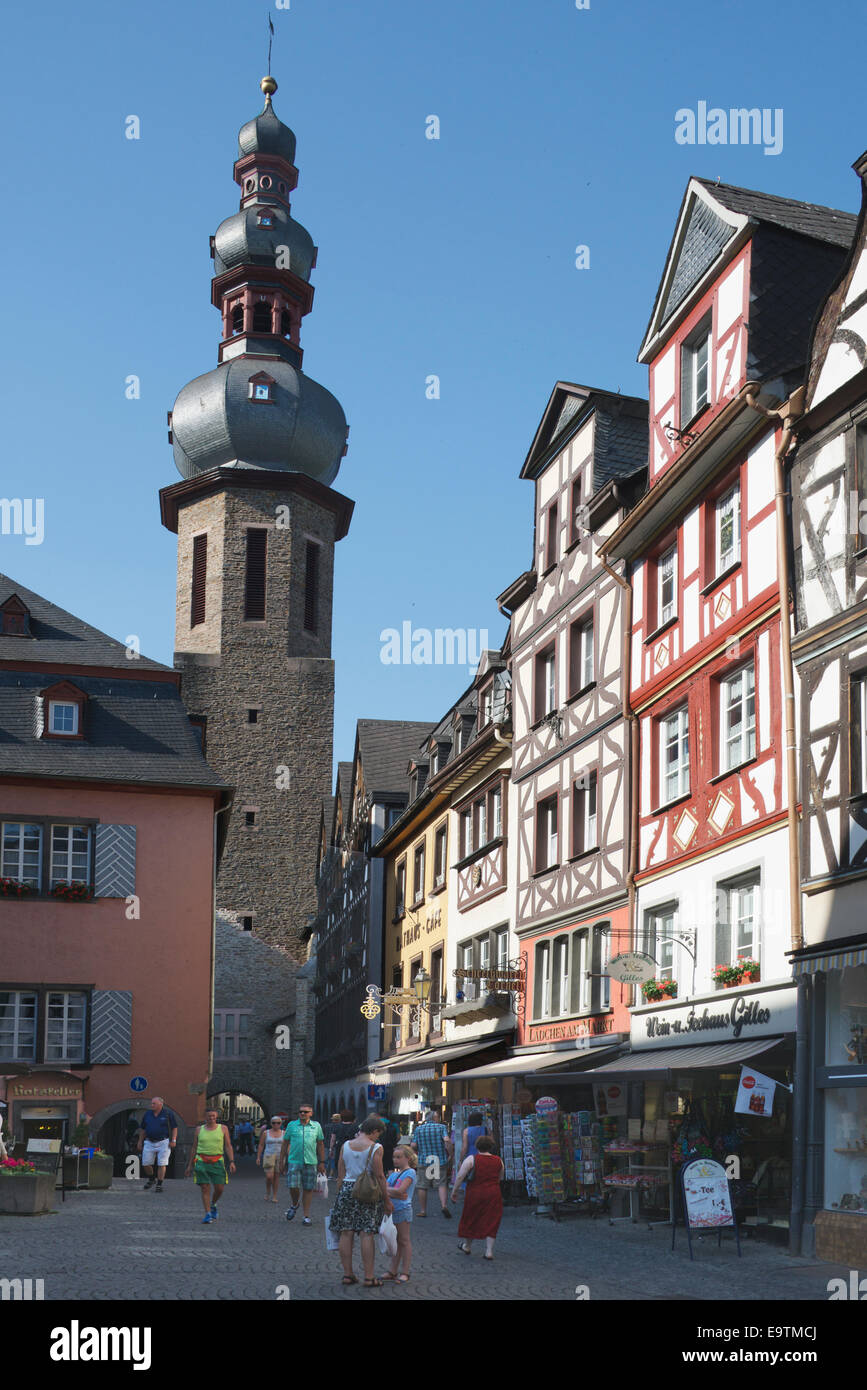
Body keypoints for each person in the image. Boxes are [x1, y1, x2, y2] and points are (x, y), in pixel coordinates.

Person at [330, 1116, 393, 1288]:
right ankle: (369, 1277)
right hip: (367, 1190)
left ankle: (348, 1274)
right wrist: (386, 1199)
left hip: (347, 1189)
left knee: (346, 1232)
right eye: (378, 1134)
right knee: (367, 1233)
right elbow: (380, 1175)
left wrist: (340, 1192)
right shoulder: (375, 1147)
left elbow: (340, 1172)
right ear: (374, 1131)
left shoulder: (346, 1145)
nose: (378, 1137)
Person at [451, 1135, 504, 1259]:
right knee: (492, 1219)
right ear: (491, 1146)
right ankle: (489, 1251)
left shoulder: (471, 1159)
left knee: (471, 1217)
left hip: (475, 1192)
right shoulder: (498, 1160)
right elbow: (500, 1177)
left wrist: (454, 1191)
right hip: (493, 1192)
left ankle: (467, 1246)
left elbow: (460, 1176)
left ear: (476, 1146)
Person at [185, 1108, 236, 1222]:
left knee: (219, 1188)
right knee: (204, 1187)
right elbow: (194, 1147)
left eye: (213, 1116)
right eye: (209, 1116)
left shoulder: (223, 1128)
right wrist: (189, 1165)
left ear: (216, 1116)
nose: (211, 1118)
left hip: (217, 1161)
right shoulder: (199, 1129)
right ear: (205, 1117)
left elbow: (228, 1146)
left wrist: (232, 1161)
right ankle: (207, 1213)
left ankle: (213, 1204)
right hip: (201, 1160)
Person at [280, 1104, 326, 1224]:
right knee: (293, 1186)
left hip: (311, 1161)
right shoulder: (292, 1125)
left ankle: (306, 1216)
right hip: (294, 1160)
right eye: (300, 1112)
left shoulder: (316, 1126)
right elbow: (285, 1143)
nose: (302, 1114)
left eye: (305, 1112)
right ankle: (295, 1203)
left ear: (311, 1113)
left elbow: (320, 1144)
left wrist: (322, 1161)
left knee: (308, 1188)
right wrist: (281, 1161)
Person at [382, 1145, 417, 1284]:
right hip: (393, 1209)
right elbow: (390, 1190)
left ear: (407, 1158)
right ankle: (393, 1270)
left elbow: (401, 1190)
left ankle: (405, 1272)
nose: (395, 1160)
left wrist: (388, 1190)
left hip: (403, 1209)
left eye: (398, 1157)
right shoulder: (394, 1174)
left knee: (404, 1240)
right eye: (394, 1157)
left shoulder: (410, 1172)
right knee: (396, 1241)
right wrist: (393, 1191)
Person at [411, 1107, 453, 1218]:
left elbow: (413, 1145)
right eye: (438, 1117)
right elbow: (447, 1140)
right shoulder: (441, 1127)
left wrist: (418, 1153)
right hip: (439, 1160)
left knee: (422, 1186)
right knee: (441, 1183)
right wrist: (450, 1154)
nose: (439, 1119)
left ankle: (423, 1210)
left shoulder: (419, 1129)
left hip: (424, 1160)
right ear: (435, 1118)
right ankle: (444, 1205)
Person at [137, 1096, 179, 1192]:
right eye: (151, 1103)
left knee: (162, 1163)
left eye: (154, 1103)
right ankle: (152, 1179)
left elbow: (174, 1127)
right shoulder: (147, 1114)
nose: (151, 1105)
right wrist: (140, 1141)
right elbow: (143, 1129)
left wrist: (173, 1140)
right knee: (145, 1163)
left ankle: (159, 1184)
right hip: (149, 1141)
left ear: (161, 1104)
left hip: (164, 1142)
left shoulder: (168, 1114)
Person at [256, 1116, 285, 1202]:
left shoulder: (284, 1133)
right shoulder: (266, 1133)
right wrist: (258, 1157)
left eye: (278, 1123)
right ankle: (268, 1191)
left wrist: (289, 1155)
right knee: (269, 1176)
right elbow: (261, 1145)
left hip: (280, 1156)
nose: (276, 1125)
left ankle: (274, 1195)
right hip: (269, 1155)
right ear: (271, 1124)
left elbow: (287, 1145)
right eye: (274, 1123)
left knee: (276, 1176)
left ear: (281, 1124)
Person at [325, 1113, 342, 1177]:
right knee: (333, 1159)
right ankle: (331, 1174)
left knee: (326, 1160)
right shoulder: (340, 1127)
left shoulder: (326, 1126)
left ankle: (325, 1173)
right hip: (335, 1145)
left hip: (326, 1144)